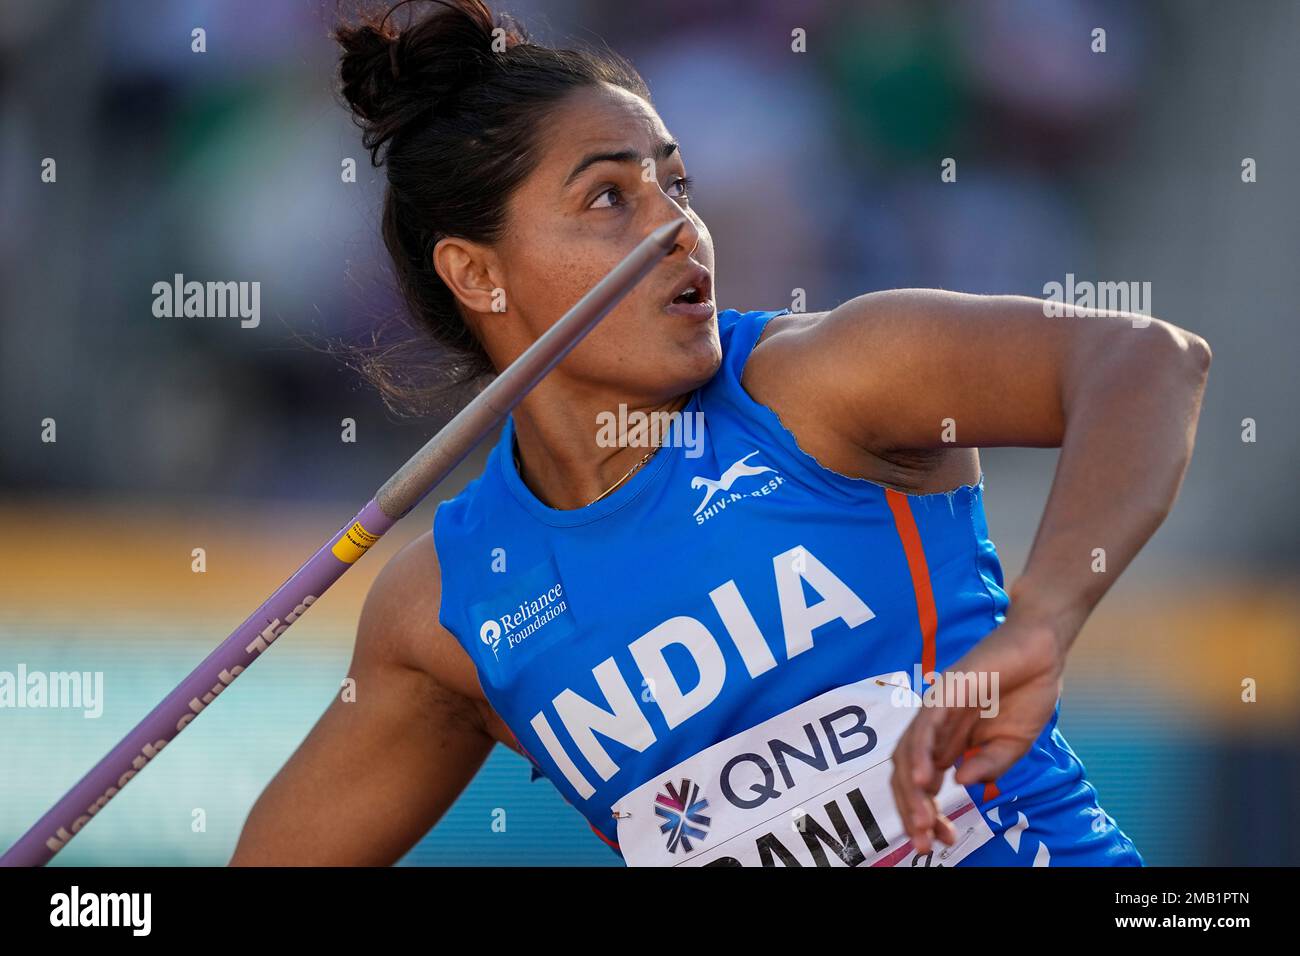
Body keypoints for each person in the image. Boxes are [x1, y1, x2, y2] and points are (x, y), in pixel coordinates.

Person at [230, 0, 1210, 867]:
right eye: (608, 197)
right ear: (477, 274)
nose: (679, 229)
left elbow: (1148, 362)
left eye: (677, 186)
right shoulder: (443, 610)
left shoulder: (831, 378)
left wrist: (1041, 617)